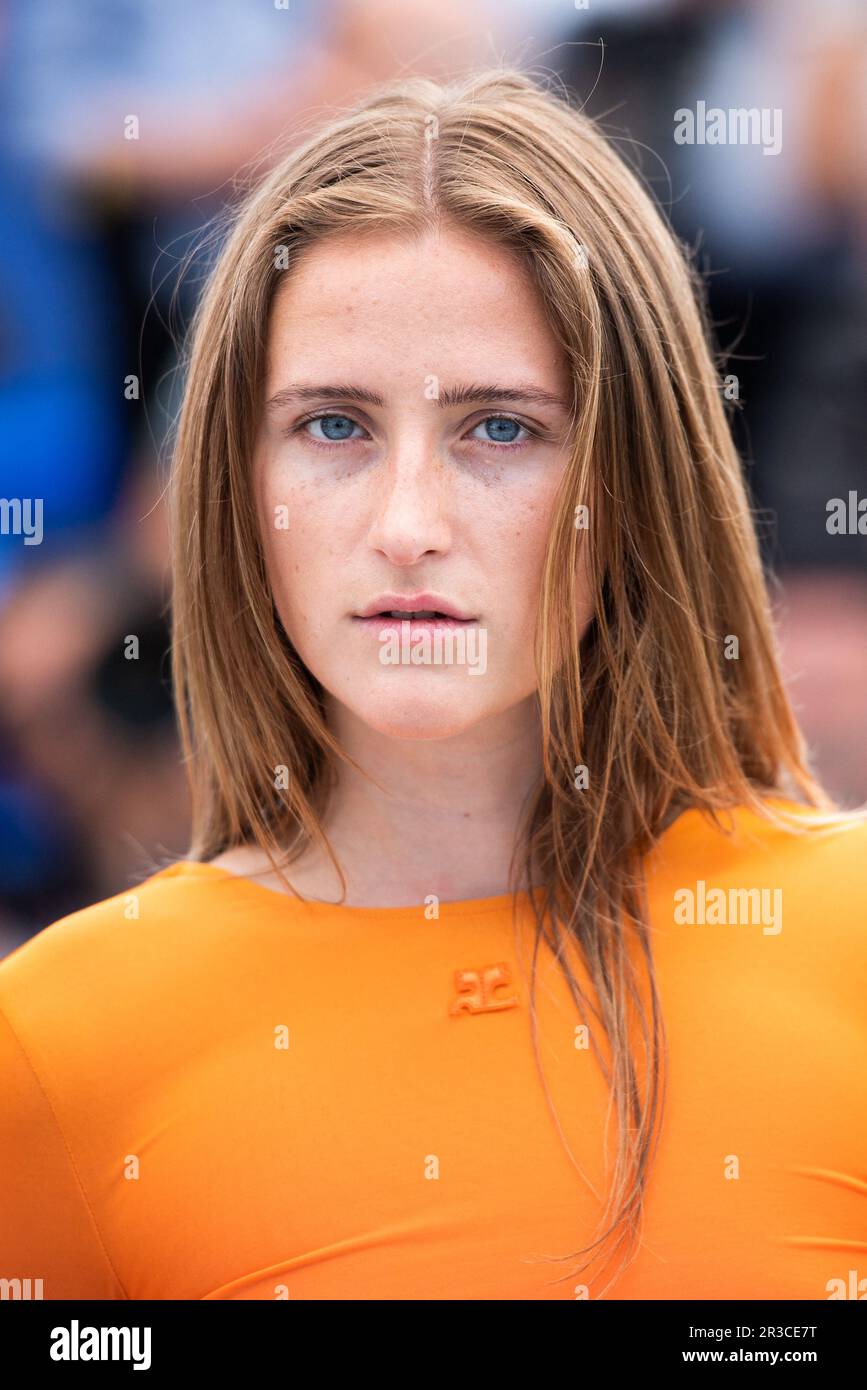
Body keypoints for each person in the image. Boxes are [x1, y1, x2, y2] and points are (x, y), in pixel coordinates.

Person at [0, 67, 864, 1303]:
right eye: (334, 427)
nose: (409, 524)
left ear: (635, 479)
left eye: (500, 427)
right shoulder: (55, 1042)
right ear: (234, 486)